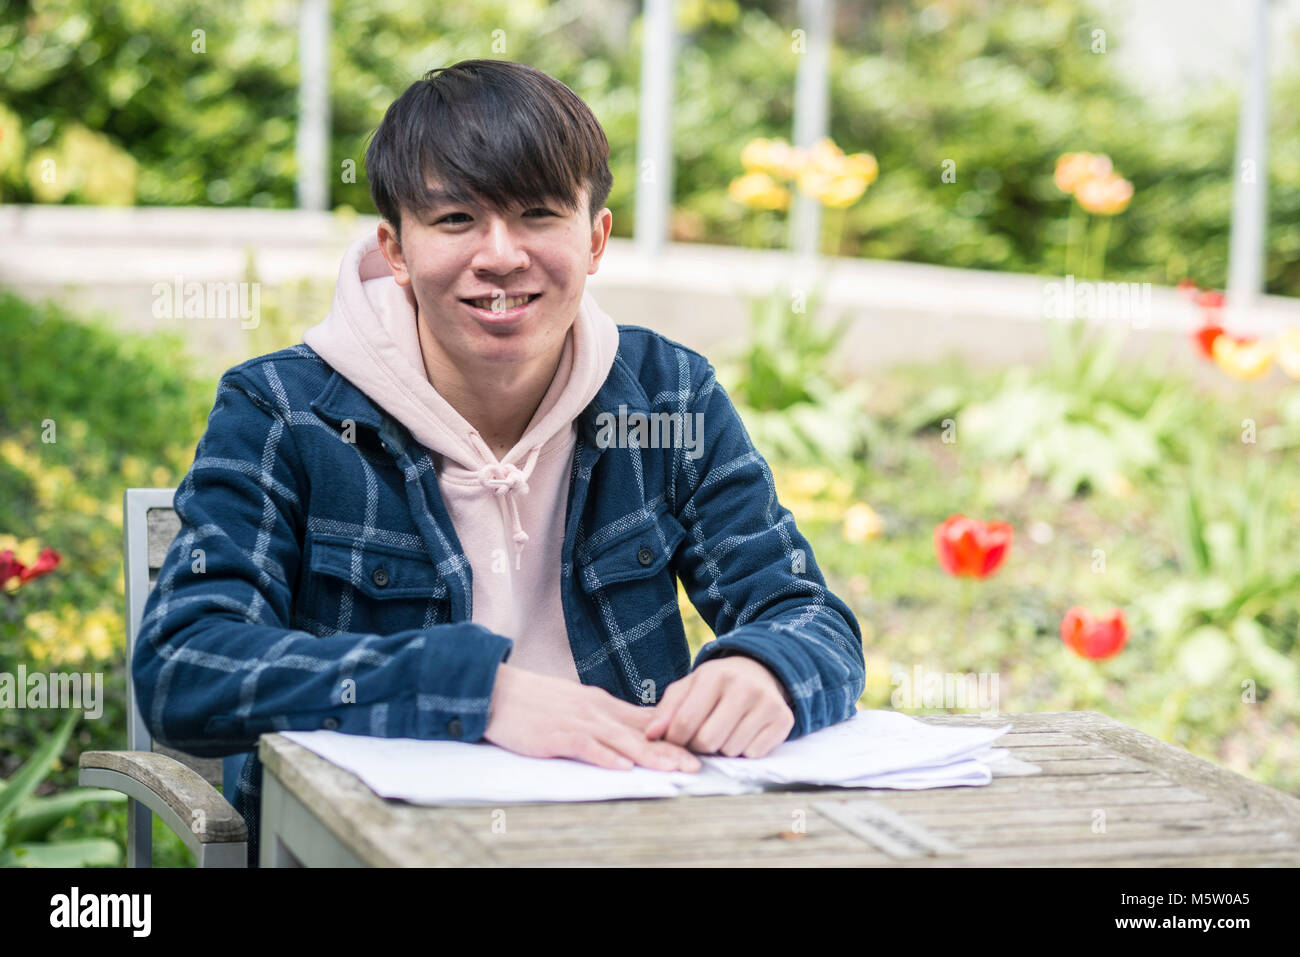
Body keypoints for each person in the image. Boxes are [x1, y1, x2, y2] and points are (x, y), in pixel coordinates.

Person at [133, 59, 865, 867]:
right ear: (396, 249)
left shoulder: (669, 400)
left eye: (538, 214)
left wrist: (769, 669)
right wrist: (478, 691)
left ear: (595, 241)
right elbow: (185, 667)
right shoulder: (285, 410)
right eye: (455, 219)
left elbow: (808, 614)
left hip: (623, 840)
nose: (501, 254)